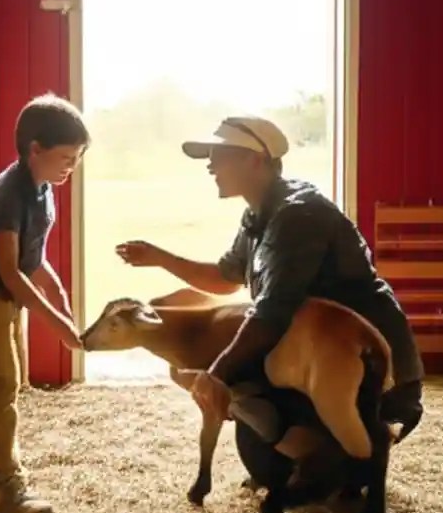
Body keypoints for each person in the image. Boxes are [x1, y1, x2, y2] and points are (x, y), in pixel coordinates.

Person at [115, 115, 425, 453]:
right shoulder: (259, 213)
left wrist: (216, 374)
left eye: (220, 155)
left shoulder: (298, 215)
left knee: (308, 468)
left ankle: (332, 457)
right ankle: (295, 449)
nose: (210, 165)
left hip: (374, 376)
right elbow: (225, 278)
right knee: (201, 374)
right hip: (315, 358)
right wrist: (160, 257)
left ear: (255, 159)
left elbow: (272, 313)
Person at [0, 94, 89, 513]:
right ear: (35, 150)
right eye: (66, 156)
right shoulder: (9, 195)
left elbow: (37, 260)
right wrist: (59, 326)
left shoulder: (43, 189)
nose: (72, 166)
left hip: (10, 295)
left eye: (78, 157)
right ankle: (5, 489)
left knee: (3, 384)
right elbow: (10, 272)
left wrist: (64, 305)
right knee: (1, 383)